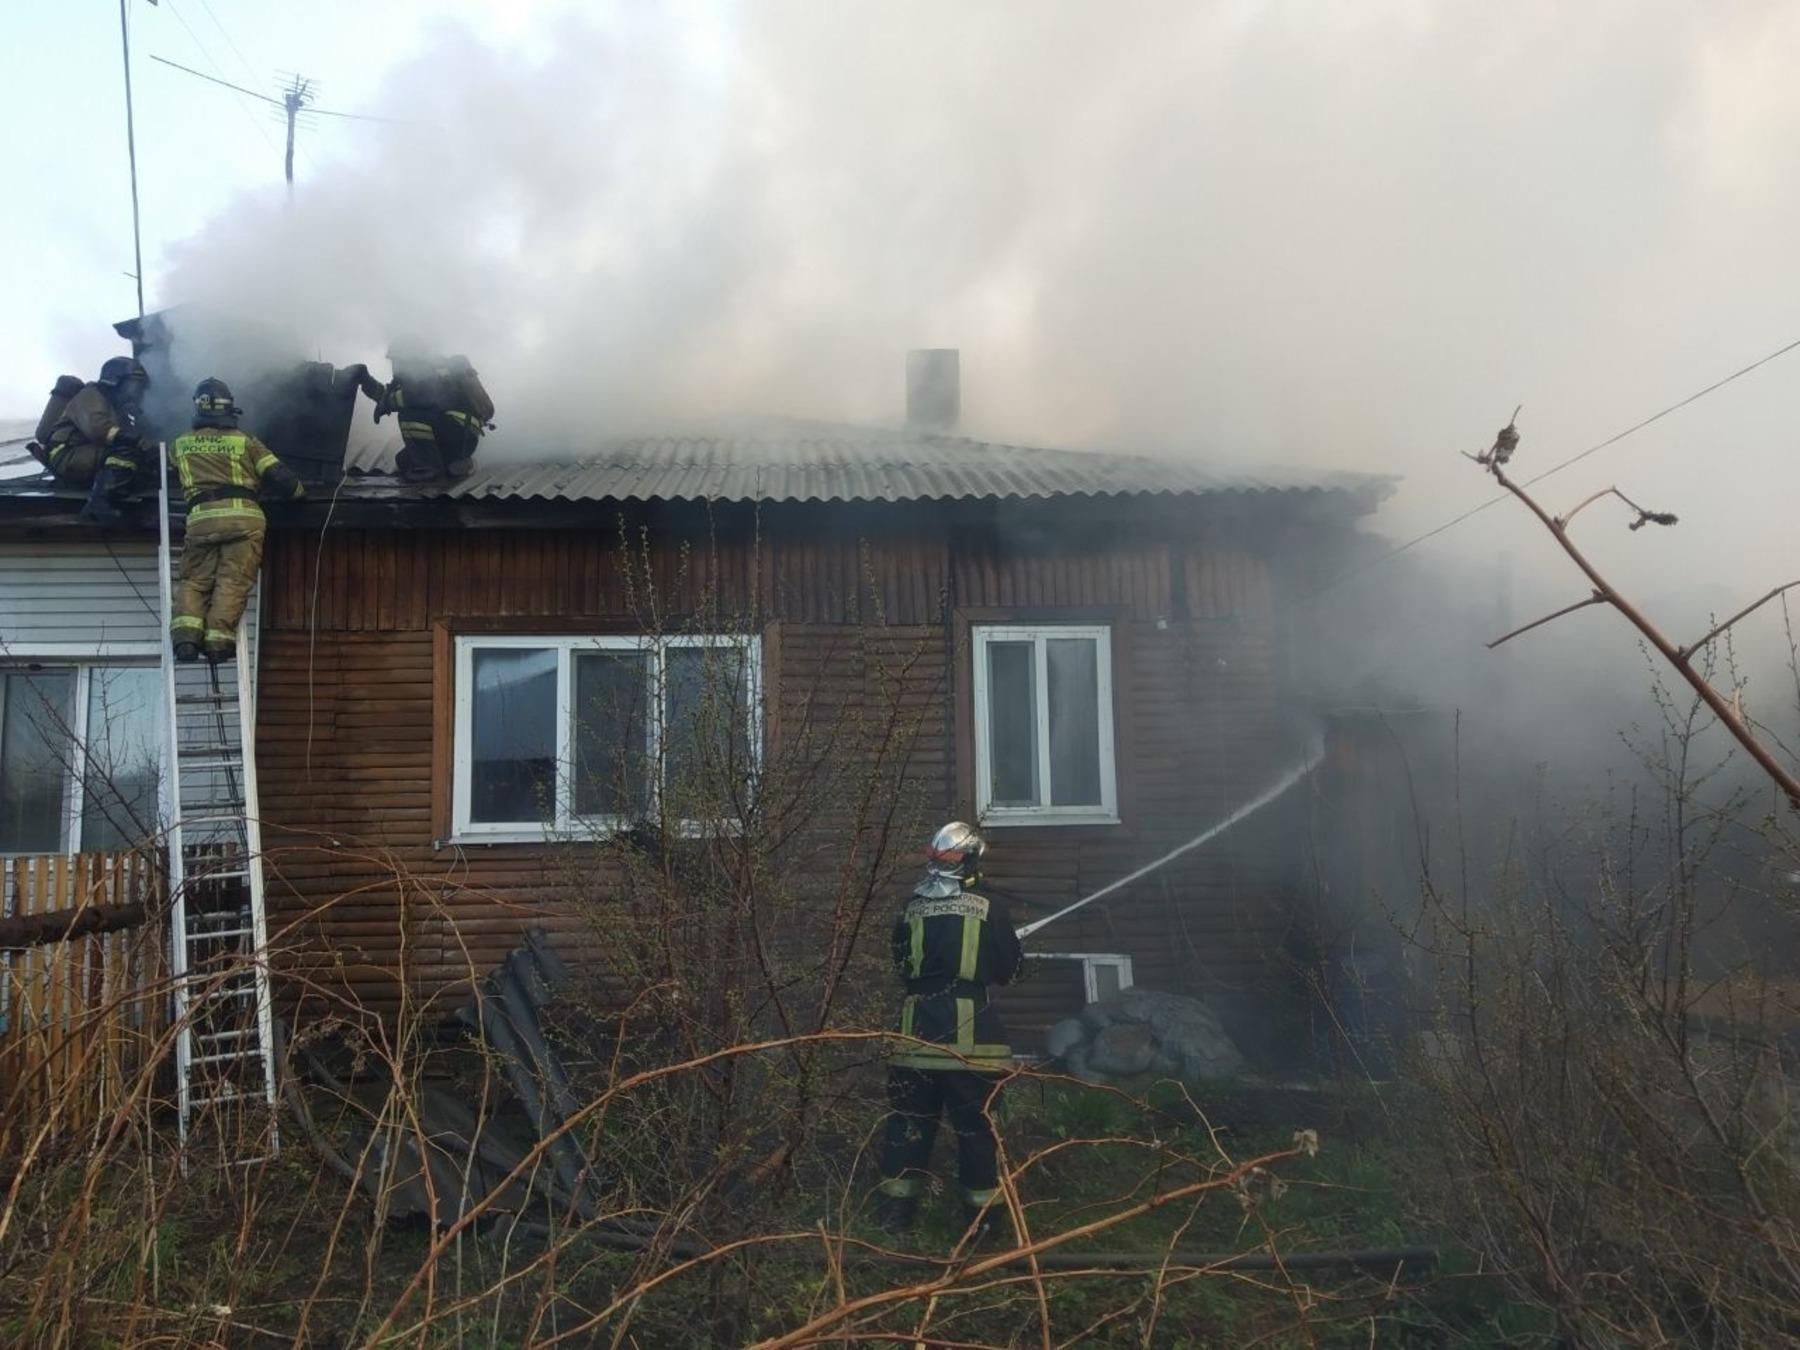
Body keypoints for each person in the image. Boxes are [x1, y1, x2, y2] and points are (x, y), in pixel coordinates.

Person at [874, 821, 1026, 1241]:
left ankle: (893, 1220)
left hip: (914, 1037)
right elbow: (1009, 971)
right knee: (976, 1132)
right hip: (970, 1043)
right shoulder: (991, 907)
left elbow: (904, 967)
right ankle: (982, 1230)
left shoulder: (909, 908)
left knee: (908, 1124)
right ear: (972, 861)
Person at [169, 378, 304, 663]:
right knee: (232, 581)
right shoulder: (245, 442)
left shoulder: (180, 444)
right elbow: (280, 478)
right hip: (244, 519)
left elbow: (169, 472)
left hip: (201, 520)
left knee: (194, 580)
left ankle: (186, 640)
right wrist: (299, 493)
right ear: (229, 408)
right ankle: (218, 643)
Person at [32, 358, 150, 522]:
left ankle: (114, 492)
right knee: (125, 454)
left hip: (83, 452)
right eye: (132, 385)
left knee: (140, 458)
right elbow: (97, 427)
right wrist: (129, 437)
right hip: (66, 454)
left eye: (138, 388)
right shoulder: (91, 394)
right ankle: (98, 503)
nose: (134, 392)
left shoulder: (115, 405)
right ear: (115, 380)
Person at [367, 340, 495, 483]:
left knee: (408, 415)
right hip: (460, 435)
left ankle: (429, 467)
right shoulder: (425, 375)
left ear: (409, 358)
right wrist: (367, 382)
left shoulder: (427, 372)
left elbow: (417, 397)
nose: (395, 366)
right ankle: (457, 464)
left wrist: (387, 403)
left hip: (457, 431)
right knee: (404, 460)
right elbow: (392, 395)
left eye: (397, 360)